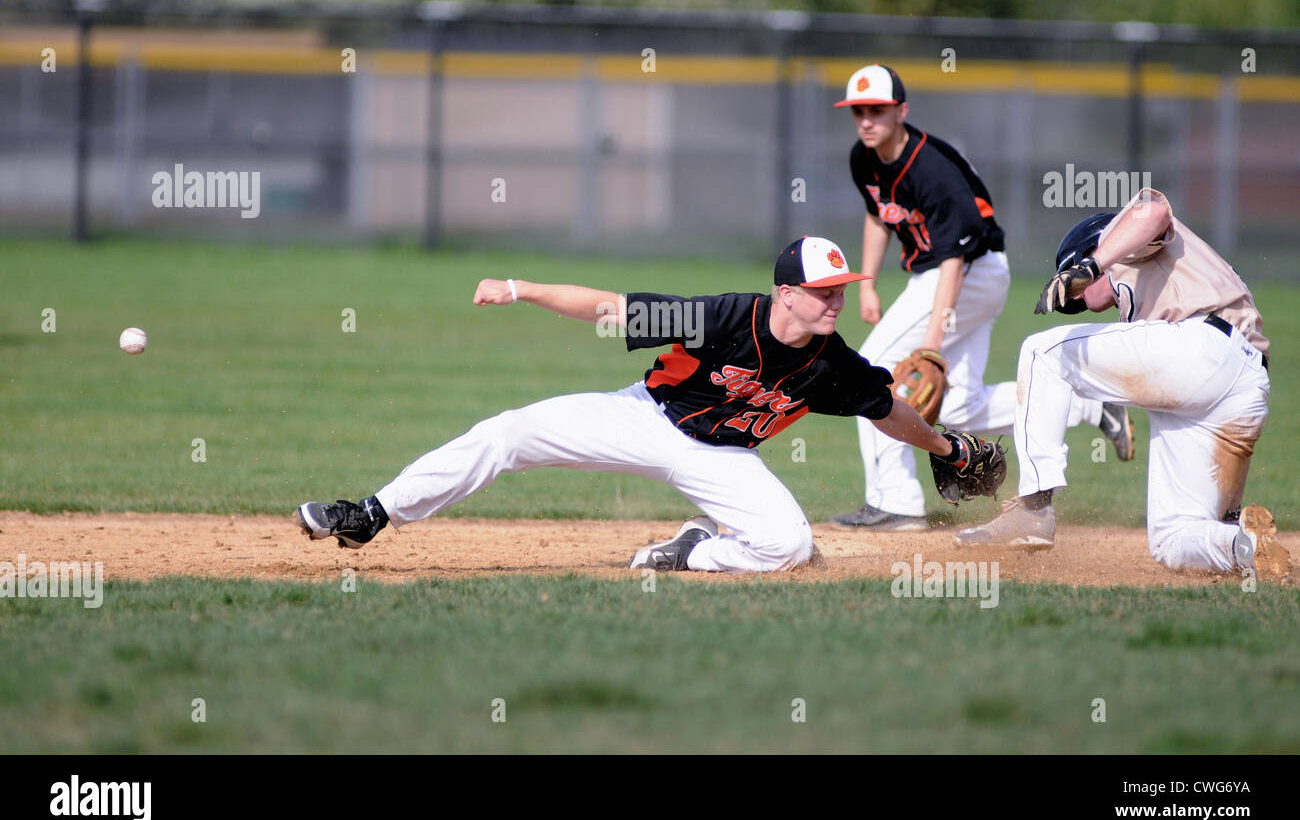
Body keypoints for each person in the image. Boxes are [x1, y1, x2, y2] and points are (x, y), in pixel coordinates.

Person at [294, 236, 986, 573]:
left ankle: (692, 550)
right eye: (824, 289)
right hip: (643, 417)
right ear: (785, 295)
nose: (837, 298)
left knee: (791, 546)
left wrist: (950, 448)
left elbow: (890, 409)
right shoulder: (723, 318)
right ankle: (369, 514)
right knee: (506, 434)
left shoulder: (833, 362)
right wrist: (520, 286)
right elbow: (610, 307)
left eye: (842, 288)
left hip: (723, 458)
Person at [827, 62, 1133, 531]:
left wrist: (931, 342)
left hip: (970, 273)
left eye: (877, 109)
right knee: (958, 406)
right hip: (950, 277)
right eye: (857, 111)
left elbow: (954, 263)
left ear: (901, 111)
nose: (866, 119)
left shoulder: (933, 170)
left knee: (871, 366)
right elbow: (877, 215)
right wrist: (866, 281)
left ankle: (895, 501)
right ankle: (1091, 405)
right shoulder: (863, 158)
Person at [955, 188, 1290, 582]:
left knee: (1042, 352)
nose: (1079, 300)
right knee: (1171, 540)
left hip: (1208, 345)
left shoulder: (1119, 241)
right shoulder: (1146, 293)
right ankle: (1244, 546)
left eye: (1076, 294)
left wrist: (1092, 264)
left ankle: (1032, 509)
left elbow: (1154, 211)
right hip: (1239, 388)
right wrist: (1229, 507)